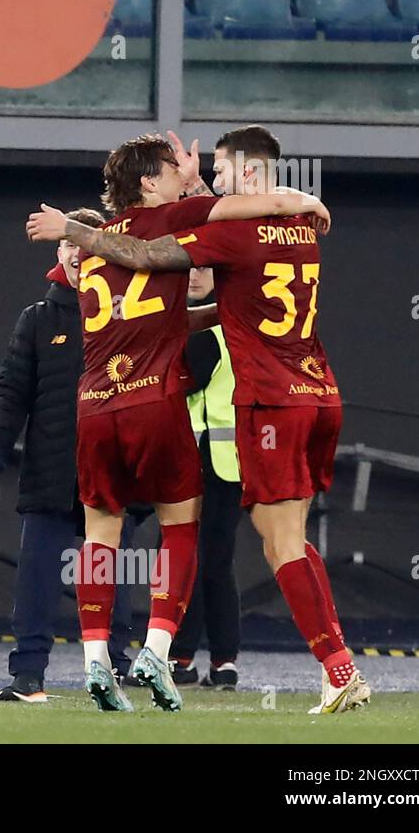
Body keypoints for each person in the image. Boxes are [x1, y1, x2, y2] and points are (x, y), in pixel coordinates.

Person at [29, 124, 368, 715]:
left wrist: (74, 230)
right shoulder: (288, 231)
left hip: (121, 402)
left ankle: (98, 659)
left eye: (218, 167)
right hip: (314, 392)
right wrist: (300, 200)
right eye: (188, 169)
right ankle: (174, 651)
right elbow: (193, 271)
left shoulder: (163, 237)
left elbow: (141, 259)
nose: (205, 175)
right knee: (254, 536)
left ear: (244, 172)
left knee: (114, 533)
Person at [0, 207, 139, 702]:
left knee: (112, 574)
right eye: (68, 245)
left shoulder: (126, 314)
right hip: (51, 471)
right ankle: (29, 675)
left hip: (111, 471)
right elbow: (13, 389)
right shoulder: (37, 319)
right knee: (37, 577)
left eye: (83, 243)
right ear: (58, 253)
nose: (75, 253)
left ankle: (112, 665)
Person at [172, 265, 243, 689]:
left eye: (204, 269)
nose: (196, 276)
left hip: (199, 462)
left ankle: (181, 658)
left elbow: (175, 386)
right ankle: (224, 662)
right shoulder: (236, 331)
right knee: (217, 562)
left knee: (191, 561)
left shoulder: (205, 336)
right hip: (229, 463)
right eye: (190, 269)